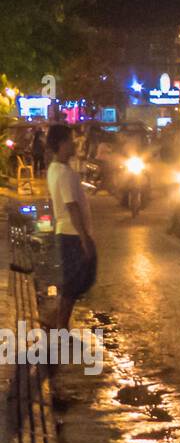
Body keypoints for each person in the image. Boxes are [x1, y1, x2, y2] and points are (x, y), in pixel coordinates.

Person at [46, 124, 97, 330]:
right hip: (72, 234)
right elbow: (71, 206)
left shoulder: (53, 168)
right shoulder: (64, 172)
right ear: (60, 144)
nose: (74, 143)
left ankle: (57, 319)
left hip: (66, 232)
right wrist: (84, 238)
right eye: (70, 140)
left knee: (75, 281)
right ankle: (59, 323)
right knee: (77, 281)